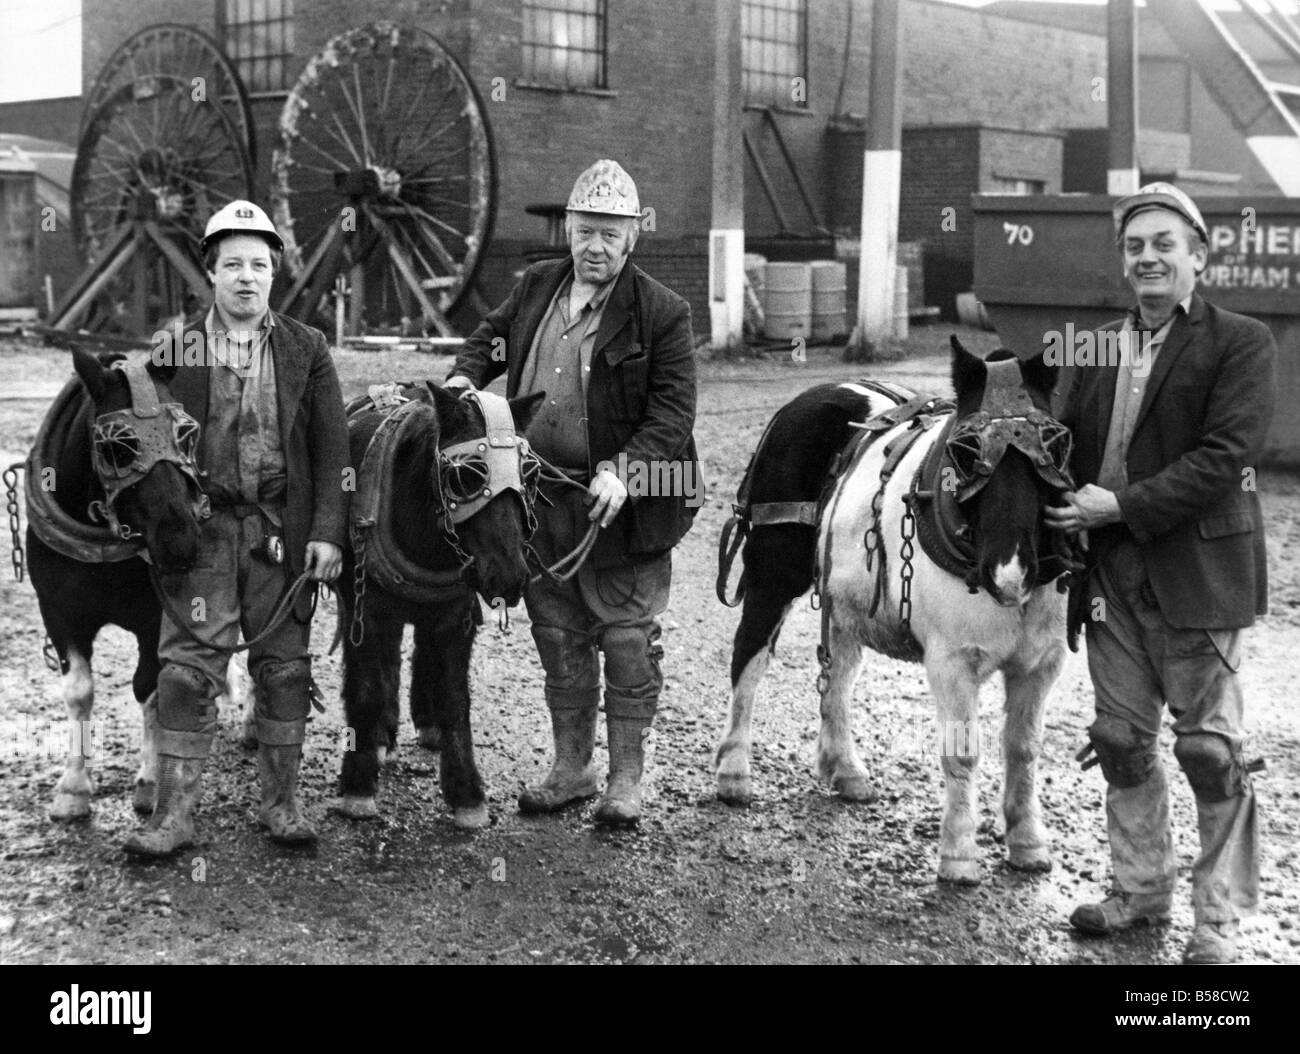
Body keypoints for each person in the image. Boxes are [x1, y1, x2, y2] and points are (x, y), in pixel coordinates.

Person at [1047, 182, 1275, 964]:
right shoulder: (1096, 344)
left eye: (1165, 244)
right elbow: (1062, 447)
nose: (1148, 256)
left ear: (1198, 258)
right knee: (1119, 741)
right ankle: (1142, 893)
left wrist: (1119, 507)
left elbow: (1224, 458)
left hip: (1199, 575)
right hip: (1111, 581)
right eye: (1135, 245)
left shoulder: (1240, 342)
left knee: (1211, 752)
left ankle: (1217, 919)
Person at [445, 159, 700, 826]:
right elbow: (487, 343)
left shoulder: (663, 315)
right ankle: (571, 768)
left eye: (610, 235)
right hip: (539, 500)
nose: (595, 247)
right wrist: (461, 381)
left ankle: (625, 781)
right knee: (556, 631)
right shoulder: (534, 287)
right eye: (585, 231)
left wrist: (624, 469)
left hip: (623, 504)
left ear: (633, 237)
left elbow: (672, 418)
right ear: (569, 230)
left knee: (626, 641)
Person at [124, 200, 350, 857]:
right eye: (232, 265)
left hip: (281, 533)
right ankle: (173, 817)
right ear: (211, 272)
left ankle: (283, 805)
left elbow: (334, 452)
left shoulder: (307, 348)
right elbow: (140, 429)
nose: (246, 277)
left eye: (259, 264)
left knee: (283, 671)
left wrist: (330, 532)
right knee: (184, 675)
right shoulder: (177, 347)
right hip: (202, 533)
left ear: (275, 272)